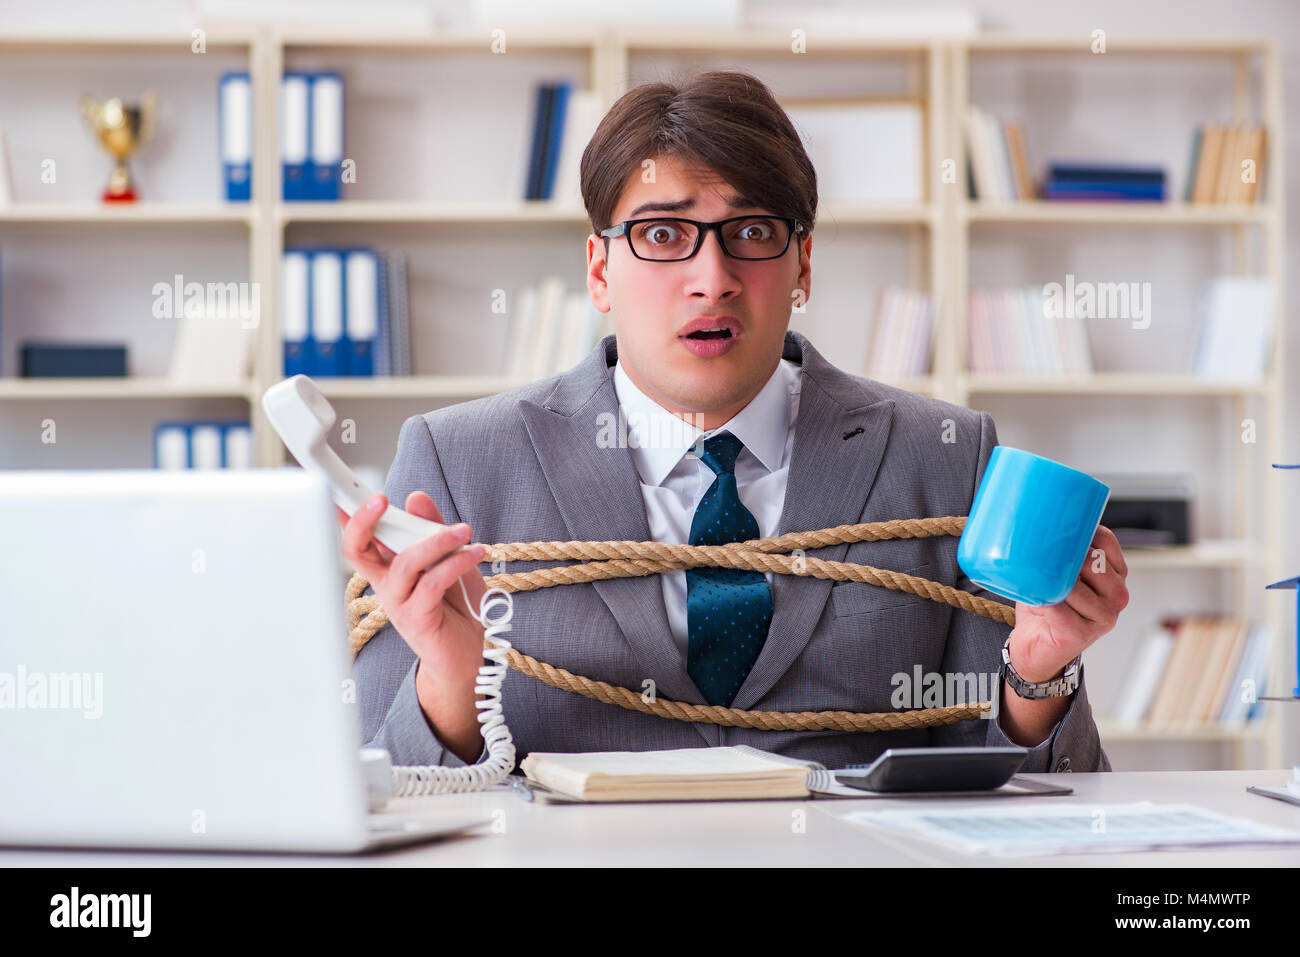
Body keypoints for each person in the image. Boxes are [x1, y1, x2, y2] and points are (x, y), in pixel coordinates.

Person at [340, 70, 1127, 773]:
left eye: (751, 233)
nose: (711, 280)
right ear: (600, 269)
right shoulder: (457, 463)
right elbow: (378, 785)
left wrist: (1040, 669)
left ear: (804, 265)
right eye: (662, 234)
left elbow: (1029, 795)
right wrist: (449, 683)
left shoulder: (942, 455)